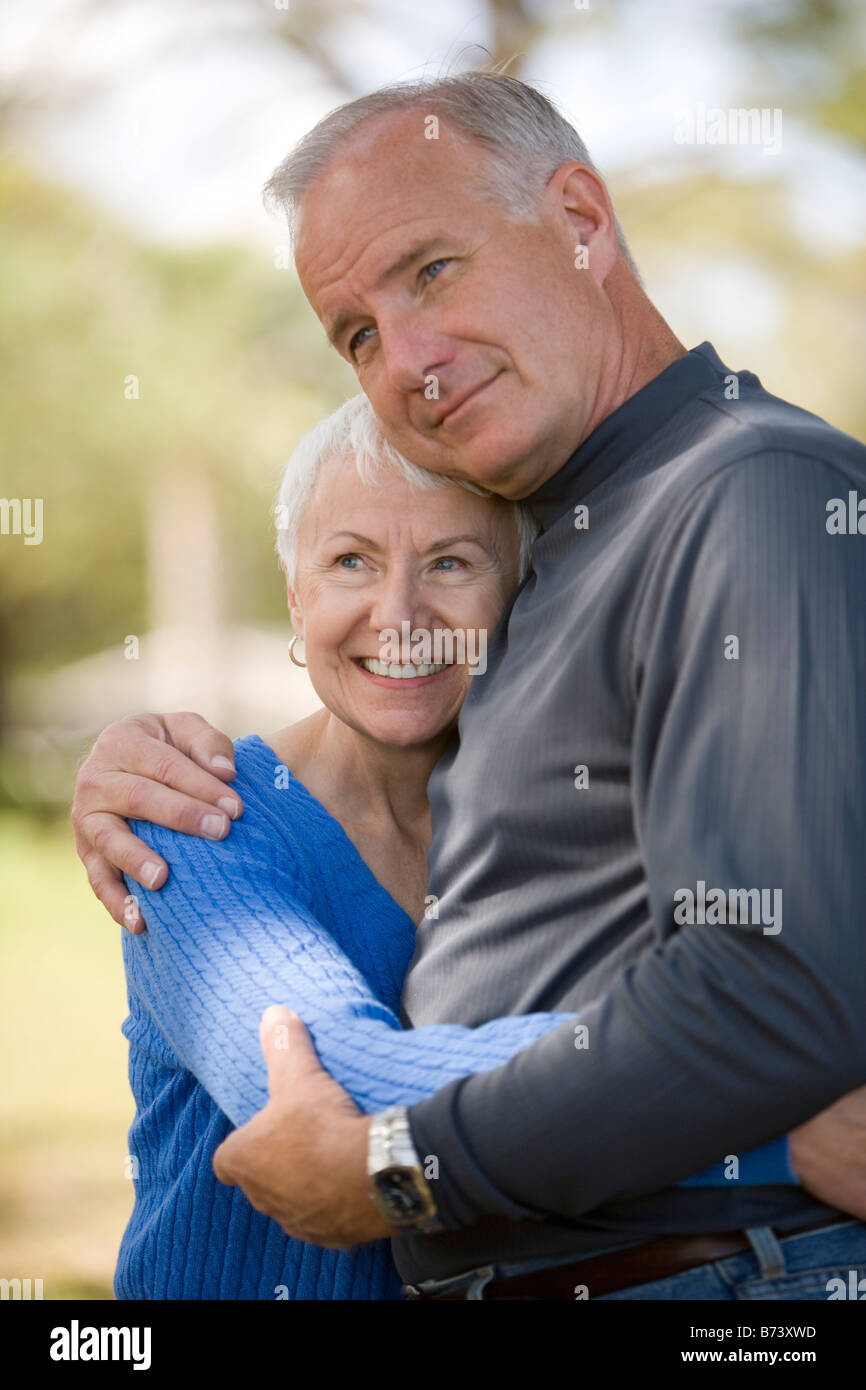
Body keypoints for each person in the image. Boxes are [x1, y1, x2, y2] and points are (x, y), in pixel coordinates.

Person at [73, 72, 866, 1301]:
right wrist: (761, 1129)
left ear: (581, 221)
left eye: (431, 271)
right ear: (293, 598)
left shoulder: (737, 501)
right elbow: (334, 1083)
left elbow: (757, 982)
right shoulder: (204, 812)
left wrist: (723, 1084)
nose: (411, 360)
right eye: (358, 335)